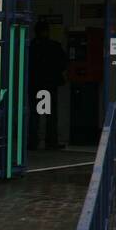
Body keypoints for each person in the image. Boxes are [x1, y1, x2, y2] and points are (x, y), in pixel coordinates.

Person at [28, 20, 68, 151]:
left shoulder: (31, 47)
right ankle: (51, 141)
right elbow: (64, 63)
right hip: (50, 84)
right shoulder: (53, 46)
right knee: (50, 114)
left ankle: (33, 142)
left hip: (35, 84)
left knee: (35, 114)